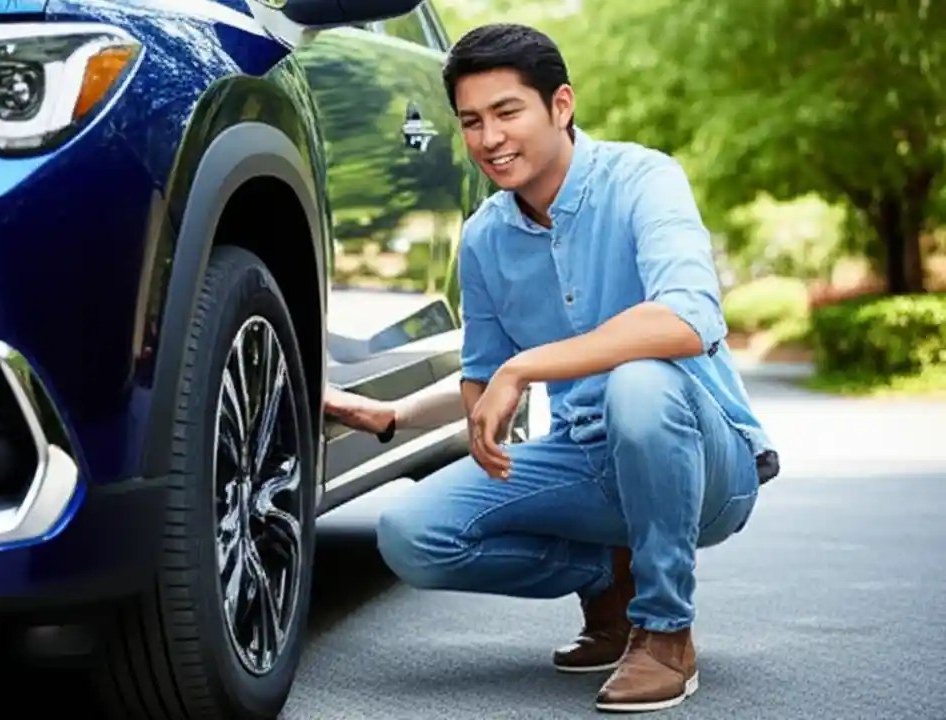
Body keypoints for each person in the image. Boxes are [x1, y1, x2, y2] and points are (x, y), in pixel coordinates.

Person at [322, 23, 778, 714]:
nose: (490, 138)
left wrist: (525, 367)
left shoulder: (643, 179)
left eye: (508, 112)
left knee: (639, 379)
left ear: (560, 106)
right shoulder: (484, 238)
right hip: (584, 461)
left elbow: (688, 320)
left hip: (704, 463)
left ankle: (665, 633)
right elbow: (485, 376)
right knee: (411, 536)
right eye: (471, 122)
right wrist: (396, 416)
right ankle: (608, 582)